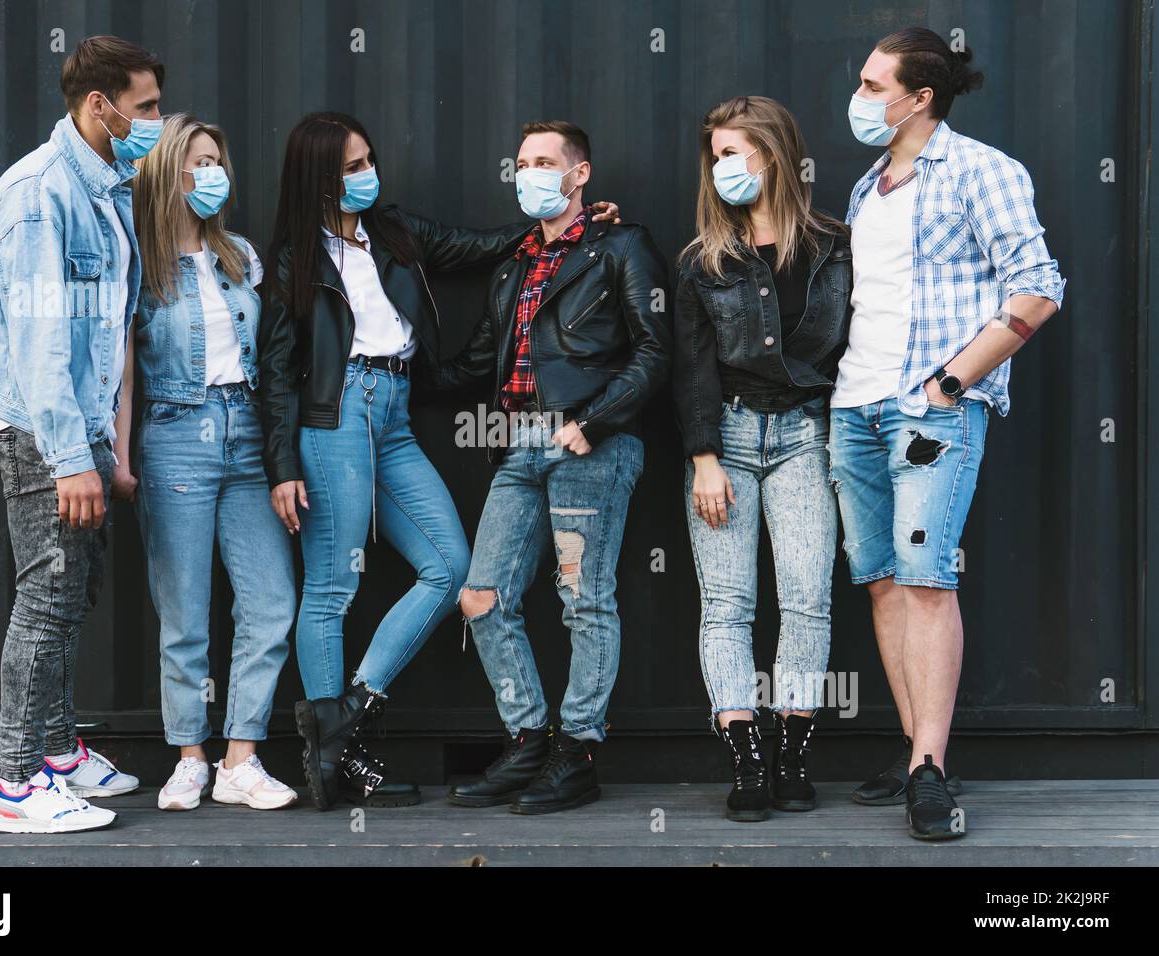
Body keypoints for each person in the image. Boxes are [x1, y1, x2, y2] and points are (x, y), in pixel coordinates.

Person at [258, 112, 621, 810]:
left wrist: (576, 222)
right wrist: (282, 466)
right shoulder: (292, 262)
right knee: (332, 587)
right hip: (335, 419)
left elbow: (484, 246)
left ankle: (347, 712)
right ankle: (337, 756)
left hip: (393, 410)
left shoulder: (394, 232)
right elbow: (277, 372)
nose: (367, 176)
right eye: (350, 168)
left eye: (368, 160)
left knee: (452, 567)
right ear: (318, 179)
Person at [833, 28, 1065, 839]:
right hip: (853, 407)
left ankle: (930, 770)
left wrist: (951, 382)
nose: (858, 97)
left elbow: (1037, 289)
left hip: (929, 409)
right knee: (884, 581)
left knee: (928, 579)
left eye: (871, 84)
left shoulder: (981, 170)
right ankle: (911, 757)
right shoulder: (869, 187)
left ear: (918, 95)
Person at [444, 120, 670, 815]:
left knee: (584, 599)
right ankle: (527, 742)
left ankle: (578, 754)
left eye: (545, 162)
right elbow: (482, 359)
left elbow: (654, 350)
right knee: (481, 596)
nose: (529, 174)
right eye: (520, 163)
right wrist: (383, 368)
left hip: (589, 446)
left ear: (580, 175)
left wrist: (592, 424)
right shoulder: (513, 264)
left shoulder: (620, 246)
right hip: (518, 447)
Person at [0, 35, 160, 833]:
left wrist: (103, 449)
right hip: (35, 430)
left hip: (73, 432)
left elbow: (104, 333)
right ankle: (15, 786)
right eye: (145, 107)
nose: (156, 122)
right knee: (46, 600)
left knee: (70, 594)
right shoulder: (40, 196)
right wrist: (69, 458)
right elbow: (43, 345)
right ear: (98, 106)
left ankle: (54, 751)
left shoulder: (104, 187)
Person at [672, 96, 851, 822]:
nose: (723, 168)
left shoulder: (836, 244)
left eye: (735, 152)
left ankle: (792, 752)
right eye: (715, 156)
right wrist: (704, 458)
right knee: (728, 606)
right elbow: (690, 368)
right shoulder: (702, 262)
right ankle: (746, 759)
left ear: (774, 155)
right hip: (732, 441)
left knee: (807, 598)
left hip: (808, 438)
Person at [129, 114, 298, 812]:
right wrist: (115, 455)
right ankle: (189, 756)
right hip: (174, 436)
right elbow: (118, 371)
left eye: (216, 162)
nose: (211, 175)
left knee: (271, 602)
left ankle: (241, 758)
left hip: (247, 438)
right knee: (185, 612)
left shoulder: (242, 258)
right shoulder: (139, 262)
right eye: (197, 162)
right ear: (169, 171)